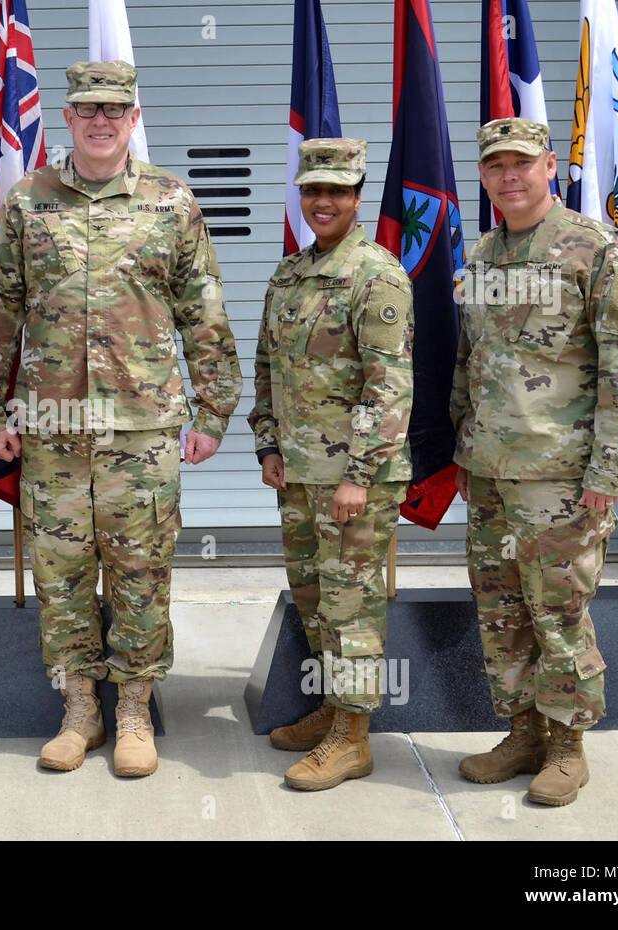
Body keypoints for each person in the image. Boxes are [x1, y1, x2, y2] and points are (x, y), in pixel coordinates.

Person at [0, 61, 241, 778]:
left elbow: (205, 315)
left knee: (140, 573)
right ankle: (79, 709)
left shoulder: (171, 202)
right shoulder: (29, 201)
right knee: (61, 576)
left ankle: (132, 708)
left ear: (133, 117)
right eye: (88, 109)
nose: (100, 120)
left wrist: (214, 411)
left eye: (114, 110)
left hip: (142, 428)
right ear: (66, 117)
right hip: (52, 429)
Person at [452, 118, 618, 805]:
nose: (508, 176)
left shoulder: (593, 250)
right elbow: (469, 363)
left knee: (558, 612)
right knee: (501, 611)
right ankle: (523, 732)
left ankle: (569, 745)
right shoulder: (481, 256)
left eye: (521, 163)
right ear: (484, 175)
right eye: (495, 166)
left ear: (550, 165)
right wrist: (462, 449)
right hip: (488, 473)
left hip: (561, 478)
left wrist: (606, 472)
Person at [248, 138, 414, 791]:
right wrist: (267, 445)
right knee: (317, 605)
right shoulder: (289, 274)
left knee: (351, 609)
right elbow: (267, 369)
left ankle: (353, 738)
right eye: (313, 190)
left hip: (354, 484)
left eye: (337, 192)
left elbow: (389, 387)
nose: (323, 202)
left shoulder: (377, 276)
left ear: (356, 195)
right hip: (298, 476)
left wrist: (357, 475)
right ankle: (331, 709)